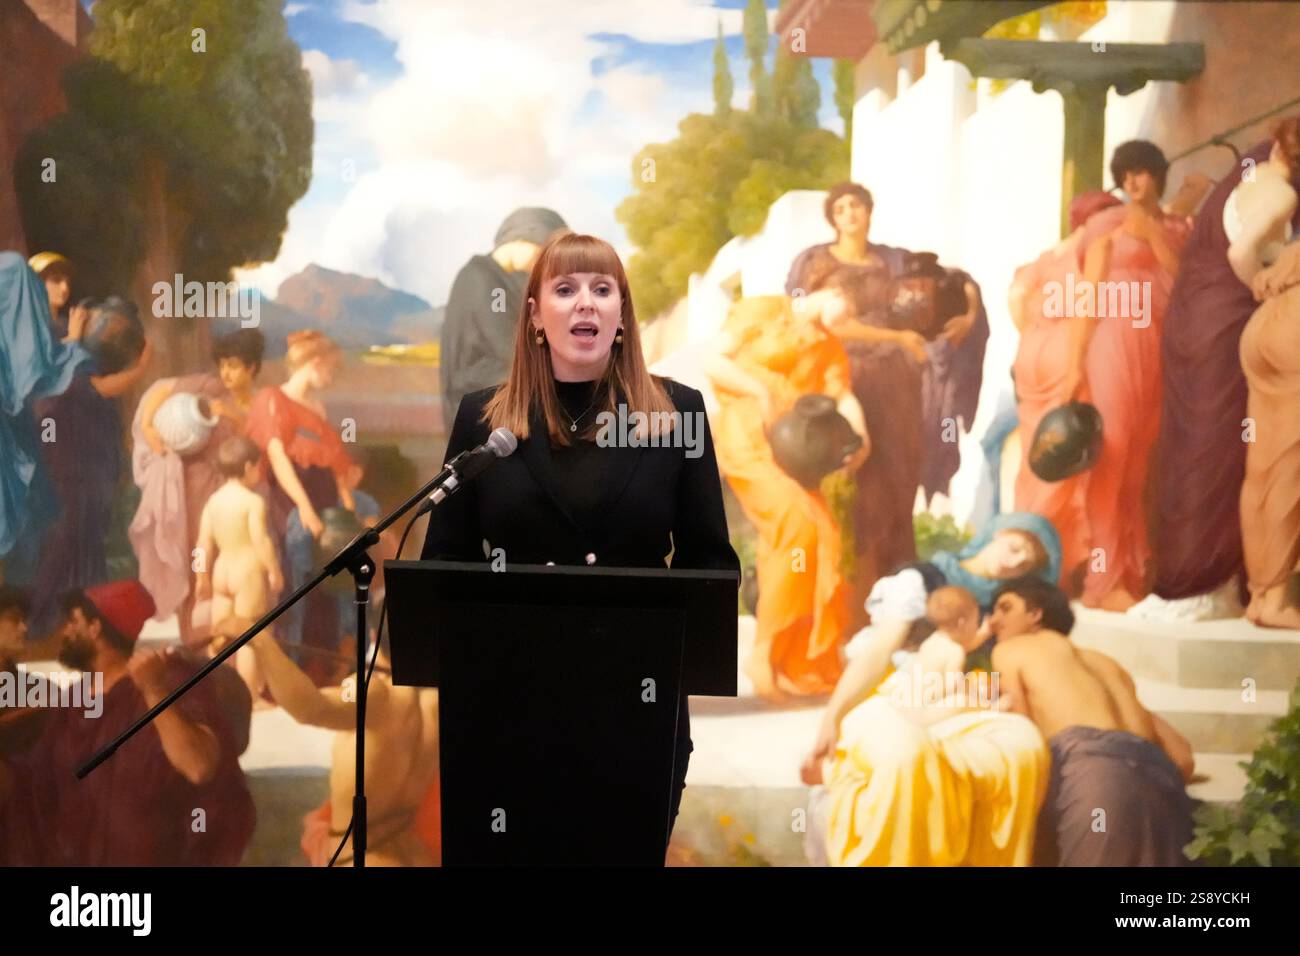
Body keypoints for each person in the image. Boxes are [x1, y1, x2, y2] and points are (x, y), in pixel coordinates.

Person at [420, 231, 740, 852]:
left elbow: (710, 561)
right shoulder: (484, 418)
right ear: (535, 315)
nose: (585, 303)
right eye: (564, 290)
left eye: (602, 289)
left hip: (634, 717)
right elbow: (445, 561)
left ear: (622, 314)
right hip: (501, 711)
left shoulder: (680, 414)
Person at [786, 183, 984, 626]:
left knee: (898, 478)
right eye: (840, 208)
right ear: (832, 218)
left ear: (869, 212)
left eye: (856, 205)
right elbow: (801, 316)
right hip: (841, 377)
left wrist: (967, 314)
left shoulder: (892, 260)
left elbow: (958, 282)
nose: (849, 213)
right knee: (853, 476)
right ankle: (849, 611)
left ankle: (900, 606)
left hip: (897, 382)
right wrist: (895, 337)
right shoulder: (816, 263)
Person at [1140, 117, 1300, 620]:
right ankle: (1205, 581)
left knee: (1212, 447)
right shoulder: (1281, 195)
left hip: (1203, 317)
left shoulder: (1248, 171)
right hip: (1228, 317)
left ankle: (1214, 580)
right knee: (1217, 447)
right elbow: (1241, 252)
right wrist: (1263, 286)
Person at [0, 580, 255, 866]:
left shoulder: (169, 681)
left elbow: (199, 767)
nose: (64, 631)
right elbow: (37, 781)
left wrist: (154, 691)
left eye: (73, 621)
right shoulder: (73, 700)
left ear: (95, 628)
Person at [804, 583, 1049, 866]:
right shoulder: (955, 653)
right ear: (962, 622)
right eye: (975, 620)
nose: (983, 624)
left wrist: (981, 633)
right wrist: (976, 697)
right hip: (928, 702)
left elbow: (965, 643)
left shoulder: (937, 641)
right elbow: (949, 687)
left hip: (906, 694)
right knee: (963, 700)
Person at [705, 293, 868, 699]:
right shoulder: (764, 310)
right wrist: (759, 393)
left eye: (851, 313)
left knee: (822, 536)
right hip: (746, 435)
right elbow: (712, 361)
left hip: (792, 450)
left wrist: (861, 438)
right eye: (843, 301)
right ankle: (763, 655)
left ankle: (795, 660)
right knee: (794, 526)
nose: (845, 314)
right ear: (824, 289)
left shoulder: (828, 345)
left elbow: (842, 397)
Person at [1056, 142, 1192, 610]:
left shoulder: (1178, 227)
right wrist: (1075, 364)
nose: (1133, 183)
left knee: (1140, 462)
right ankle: (1103, 577)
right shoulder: (1104, 225)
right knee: (1111, 457)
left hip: (1161, 344)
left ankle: (1134, 572)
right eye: (1125, 175)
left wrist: (1154, 236)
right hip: (1114, 340)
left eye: (1142, 173)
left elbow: (1186, 286)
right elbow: (1088, 299)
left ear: (1158, 175)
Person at [989, 576, 1195, 866]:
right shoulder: (1104, 663)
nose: (994, 620)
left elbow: (1021, 735)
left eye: (1005, 608)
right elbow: (1182, 756)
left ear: (1035, 614)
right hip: (1160, 783)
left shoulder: (1011, 650)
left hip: (1096, 778)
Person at [246, 624, 441, 866]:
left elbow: (309, 707)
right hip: (418, 857)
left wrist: (261, 642)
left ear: (374, 637)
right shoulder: (435, 703)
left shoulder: (375, 693)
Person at [1010, 189, 1123, 589]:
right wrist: (1075, 362)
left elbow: (1017, 295)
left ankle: (1020, 551)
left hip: (1032, 352)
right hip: (1067, 352)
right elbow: (1088, 310)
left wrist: (1033, 334)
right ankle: (1050, 568)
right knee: (1065, 461)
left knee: (1033, 457)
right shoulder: (1098, 246)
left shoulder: (1051, 254)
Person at [129, 328, 267, 647]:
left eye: (234, 366)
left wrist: (230, 414)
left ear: (252, 368)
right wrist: (150, 426)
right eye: (223, 364)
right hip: (192, 489)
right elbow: (162, 391)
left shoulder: (260, 403)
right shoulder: (210, 386)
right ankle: (193, 638)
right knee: (195, 559)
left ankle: (230, 641)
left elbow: (259, 442)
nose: (226, 373)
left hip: (235, 494)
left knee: (233, 562)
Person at [246, 330, 358, 681]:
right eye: (330, 370)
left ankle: (324, 664)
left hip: (325, 502)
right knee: (297, 581)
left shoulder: (318, 408)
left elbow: (335, 464)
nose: (331, 378)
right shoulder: (272, 399)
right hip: (293, 504)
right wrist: (305, 508)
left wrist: (347, 505)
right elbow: (278, 458)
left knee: (330, 583)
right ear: (315, 363)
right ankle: (292, 672)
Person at [0, 253, 90, 572]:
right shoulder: (25, 335)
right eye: (52, 281)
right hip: (33, 437)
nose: (63, 289)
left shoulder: (28, 333)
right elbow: (38, 380)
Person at [440, 207, 568, 430]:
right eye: (542, 251)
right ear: (522, 239)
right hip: (484, 412)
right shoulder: (480, 276)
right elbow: (509, 348)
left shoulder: (508, 279)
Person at [1239, 236, 1300, 628]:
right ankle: (1276, 598)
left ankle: (1260, 594)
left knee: (1263, 465)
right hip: (1292, 333)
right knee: (1290, 467)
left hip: (1263, 326)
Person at [194, 436, 282, 698]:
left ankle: (216, 693)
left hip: (222, 570)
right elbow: (260, 540)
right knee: (249, 639)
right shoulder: (252, 502)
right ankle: (249, 698)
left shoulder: (214, 501)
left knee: (219, 637)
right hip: (248, 571)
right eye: (257, 467)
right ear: (246, 467)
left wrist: (202, 576)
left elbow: (202, 544)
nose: (258, 472)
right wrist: (274, 569)